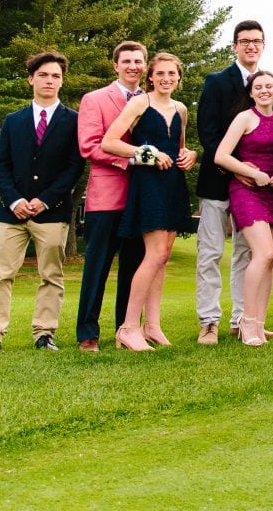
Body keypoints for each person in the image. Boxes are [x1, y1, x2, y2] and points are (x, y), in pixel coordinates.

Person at [0, 52, 84, 357]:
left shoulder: (74, 121)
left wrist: (45, 200)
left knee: (51, 274)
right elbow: (1, 165)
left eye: (56, 76)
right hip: (11, 214)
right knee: (0, 275)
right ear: (31, 79)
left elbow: (74, 168)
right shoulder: (13, 121)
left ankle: (44, 333)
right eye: (44, 75)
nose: (50, 81)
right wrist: (15, 200)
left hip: (52, 213)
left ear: (62, 81)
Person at [102, 53, 197, 352]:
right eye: (160, 73)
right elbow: (109, 142)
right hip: (148, 185)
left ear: (179, 78)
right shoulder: (140, 103)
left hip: (173, 185)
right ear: (151, 77)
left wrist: (189, 155)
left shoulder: (181, 109)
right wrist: (148, 153)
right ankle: (128, 328)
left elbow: (179, 148)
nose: (166, 78)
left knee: (164, 255)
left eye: (172, 73)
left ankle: (152, 326)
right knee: (154, 254)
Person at [74, 41, 149, 353]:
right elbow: (89, 145)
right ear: (115, 65)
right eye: (127, 61)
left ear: (145, 65)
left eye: (138, 61)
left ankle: (127, 329)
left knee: (134, 267)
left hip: (142, 196)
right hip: (106, 196)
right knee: (97, 266)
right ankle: (88, 333)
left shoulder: (151, 100)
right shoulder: (94, 99)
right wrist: (131, 158)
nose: (133, 66)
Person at [194, 19, 265, 344]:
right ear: (235, 46)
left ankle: (241, 320)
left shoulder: (266, 84)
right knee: (210, 252)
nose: (251, 45)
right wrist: (236, 168)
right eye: (245, 40)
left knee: (243, 253)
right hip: (217, 181)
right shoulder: (217, 82)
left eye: (257, 41)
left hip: (251, 188)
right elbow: (208, 133)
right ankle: (208, 321)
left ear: (263, 46)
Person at [214, 71, 273, 346]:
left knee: (270, 261)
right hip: (246, 190)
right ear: (251, 93)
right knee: (263, 253)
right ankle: (246, 323)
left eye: (268, 86)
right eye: (258, 87)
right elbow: (221, 156)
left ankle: (260, 324)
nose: (263, 91)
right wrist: (253, 173)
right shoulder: (245, 118)